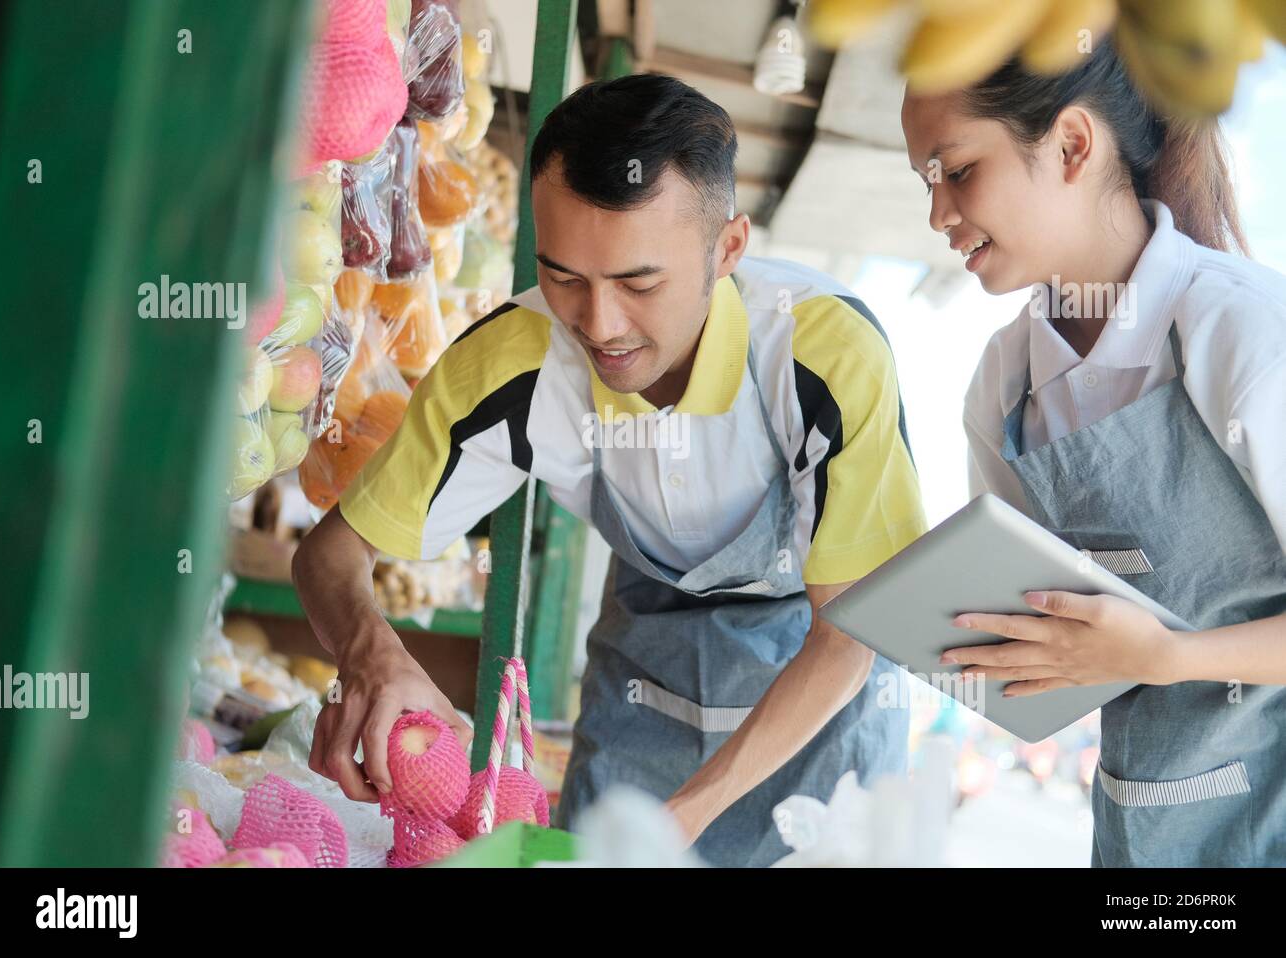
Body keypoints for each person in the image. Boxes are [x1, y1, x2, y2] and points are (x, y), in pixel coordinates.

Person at [293, 74, 928, 866]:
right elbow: (328, 554)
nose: (598, 324)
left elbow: (848, 634)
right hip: (644, 687)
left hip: (820, 696)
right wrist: (372, 654)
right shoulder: (507, 364)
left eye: (638, 282)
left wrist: (683, 817)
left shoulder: (826, 354)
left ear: (728, 248)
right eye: (563, 276)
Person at [901, 39, 1286, 866]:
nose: (937, 215)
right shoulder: (1003, 386)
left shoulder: (1244, 332)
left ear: (1074, 144)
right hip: (1139, 831)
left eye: (957, 170)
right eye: (924, 182)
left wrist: (1171, 656)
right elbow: (1030, 648)